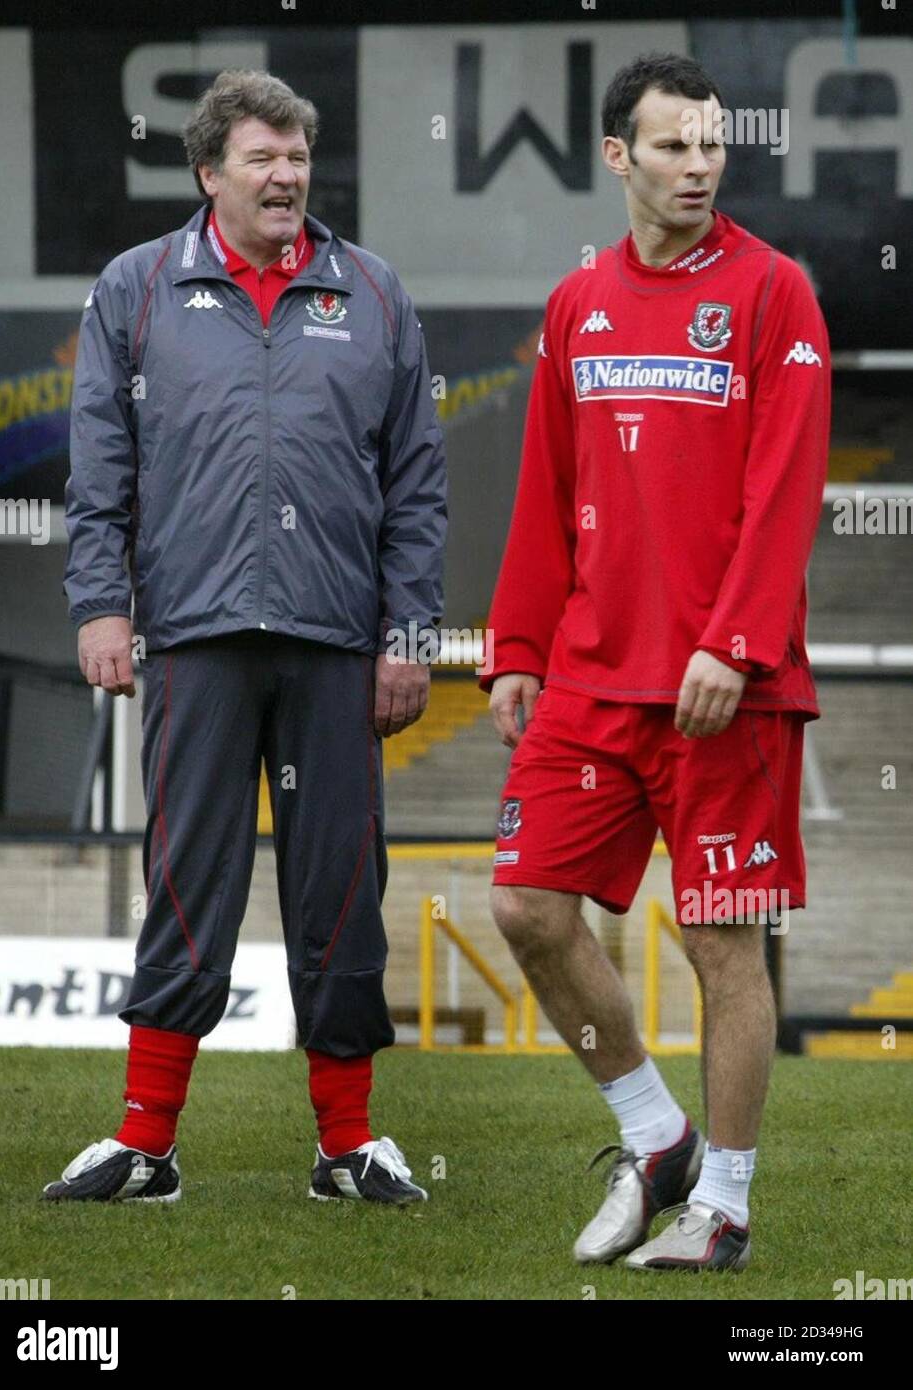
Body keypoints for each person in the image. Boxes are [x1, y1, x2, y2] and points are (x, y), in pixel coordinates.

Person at [44, 69, 446, 1206]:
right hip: (191, 635)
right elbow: (100, 473)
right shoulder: (135, 288)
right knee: (182, 884)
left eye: (298, 157)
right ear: (209, 172)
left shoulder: (370, 290)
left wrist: (408, 631)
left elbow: (416, 483)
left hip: (335, 643)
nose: (287, 177)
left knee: (338, 890)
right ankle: (143, 1146)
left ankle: (349, 1148)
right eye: (263, 158)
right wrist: (100, 603)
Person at [481, 52, 830, 1271]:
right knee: (522, 902)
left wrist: (734, 640)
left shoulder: (775, 292)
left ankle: (721, 1208)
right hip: (592, 675)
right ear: (619, 156)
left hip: (725, 685)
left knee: (719, 941)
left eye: (712, 143)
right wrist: (518, 642)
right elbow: (547, 488)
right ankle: (655, 1135)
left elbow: (787, 492)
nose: (698, 164)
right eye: (672, 145)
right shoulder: (578, 305)